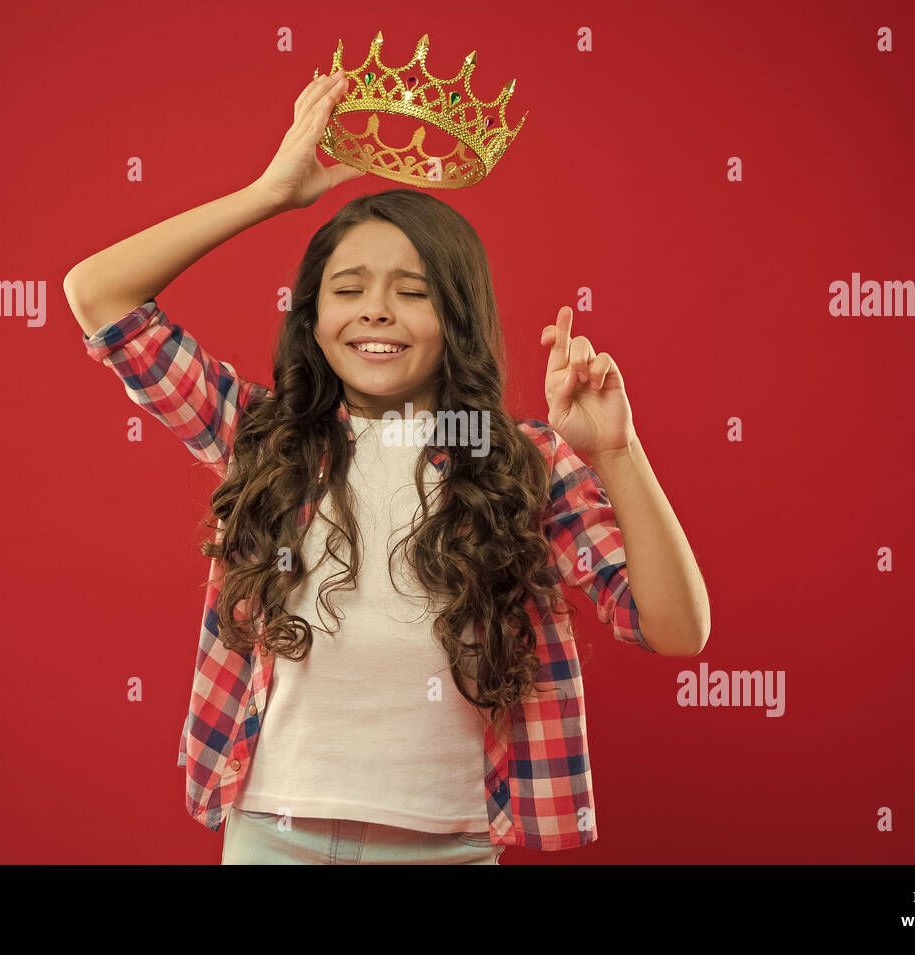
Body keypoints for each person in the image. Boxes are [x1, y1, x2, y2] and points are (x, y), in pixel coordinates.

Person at [64, 69, 711, 864]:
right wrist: (270, 193)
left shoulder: (522, 460)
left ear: (458, 320)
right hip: (273, 832)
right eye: (348, 288)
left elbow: (678, 628)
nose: (375, 310)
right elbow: (99, 294)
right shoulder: (264, 434)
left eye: (412, 292)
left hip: (448, 846)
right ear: (314, 316)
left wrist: (615, 450)